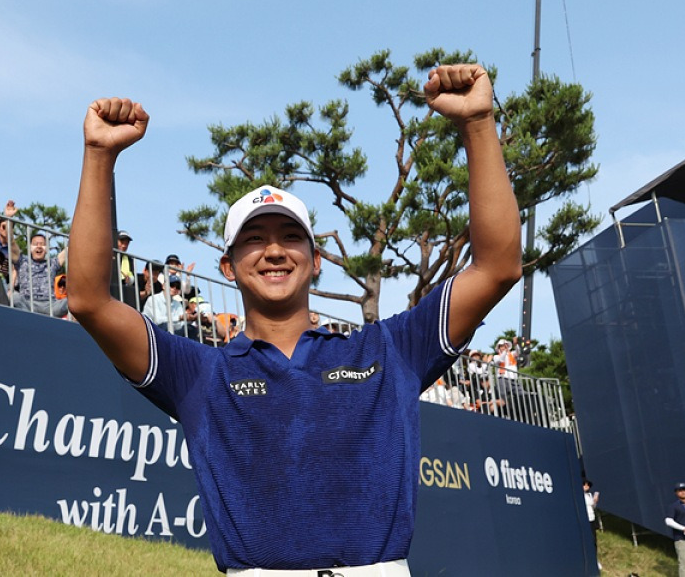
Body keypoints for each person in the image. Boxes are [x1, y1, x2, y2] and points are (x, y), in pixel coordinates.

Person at [67, 65, 521, 574]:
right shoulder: (198, 374)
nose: (275, 251)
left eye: (290, 236)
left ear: (316, 259)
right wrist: (99, 156)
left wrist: (478, 124)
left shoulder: (389, 350)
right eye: (255, 239)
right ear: (228, 266)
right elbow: (88, 300)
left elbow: (497, 267)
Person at [11, 231, 69, 317]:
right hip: (27, 303)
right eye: (35, 244)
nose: (39, 246)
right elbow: (11, 242)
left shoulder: (52, 263)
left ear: (47, 249)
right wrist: (9, 222)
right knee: (14, 297)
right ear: (30, 248)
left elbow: (69, 249)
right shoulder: (22, 261)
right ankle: (29, 319)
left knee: (72, 300)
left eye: (42, 244)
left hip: (50, 305)